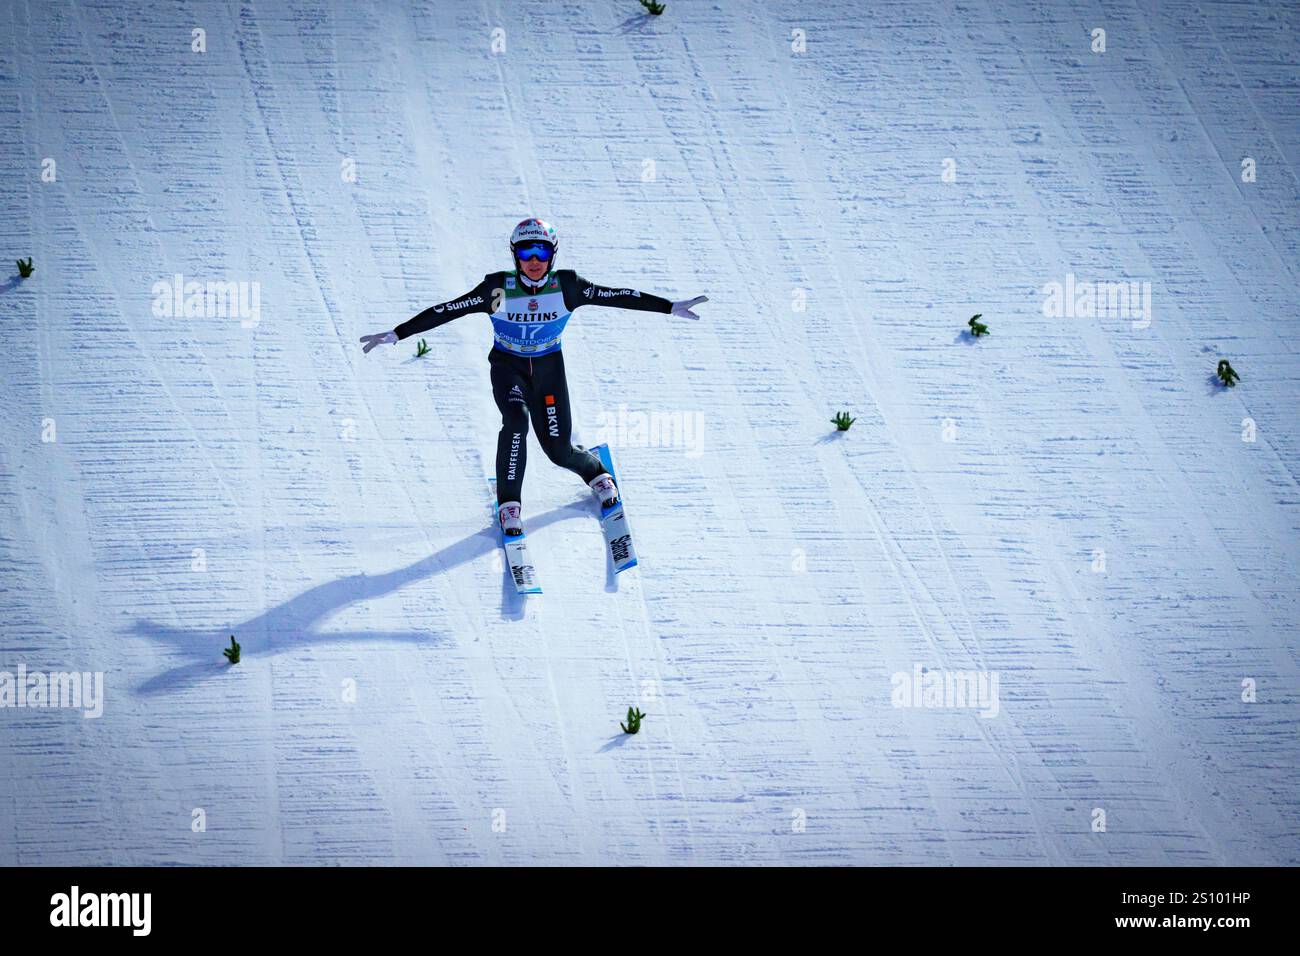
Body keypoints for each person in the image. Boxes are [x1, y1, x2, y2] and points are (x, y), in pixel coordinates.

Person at [360, 217, 708, 536]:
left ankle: (595, 471)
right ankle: (510, 504)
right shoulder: (497, 289)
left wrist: (669, 306)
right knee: (515, 420)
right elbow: (447, 310)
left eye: (541, 251)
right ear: (515, 255)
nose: (534, 260)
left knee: (558, 452)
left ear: (552, 255)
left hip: (548, 371)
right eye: (526, 251)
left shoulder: (567, 286)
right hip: (508, 368)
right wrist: (398, 333)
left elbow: (616, 296)